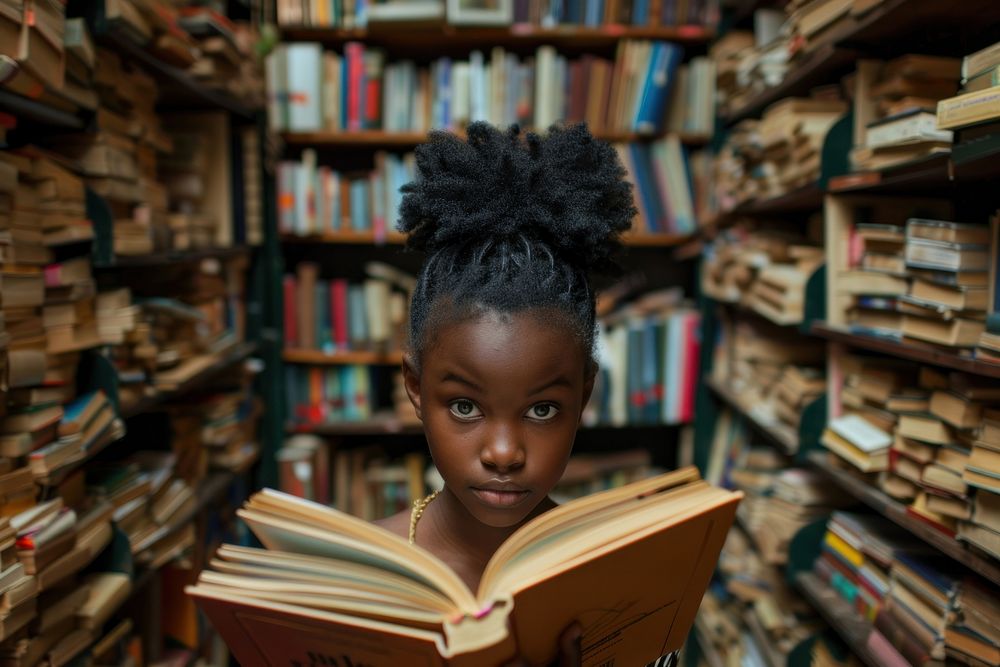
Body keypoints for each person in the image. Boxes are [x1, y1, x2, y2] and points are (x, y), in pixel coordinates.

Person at [375, 122, 678, 667]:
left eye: (542, 410)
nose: (504, 453)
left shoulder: (626, 592)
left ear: (584, 396)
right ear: (416, 388)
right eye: (465, 407)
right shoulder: (358, 576)